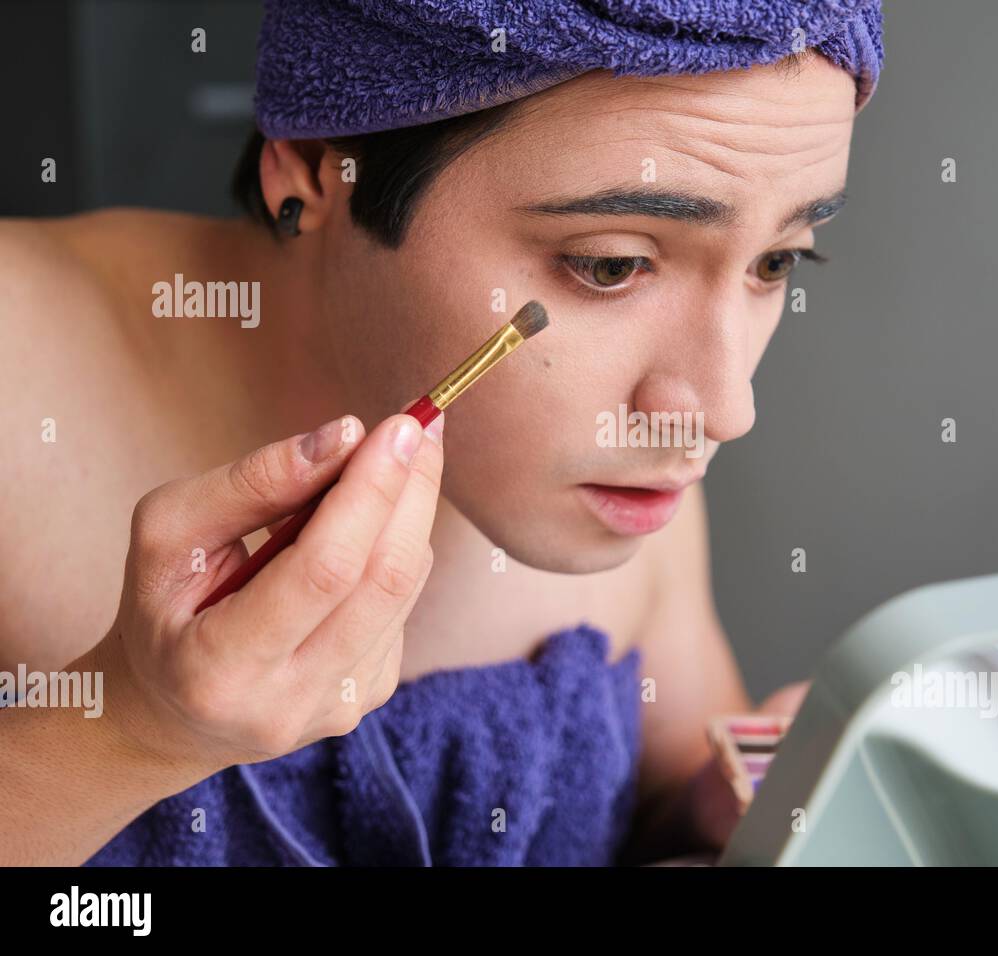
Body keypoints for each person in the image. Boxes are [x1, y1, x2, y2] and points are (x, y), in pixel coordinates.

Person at [0, 0, 883, 865]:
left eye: (777, 261)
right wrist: (129, 732)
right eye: (611, 264)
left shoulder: (619, 462)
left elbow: (668, 786)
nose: (722, 409)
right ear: (315, 170)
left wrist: (719, 811)